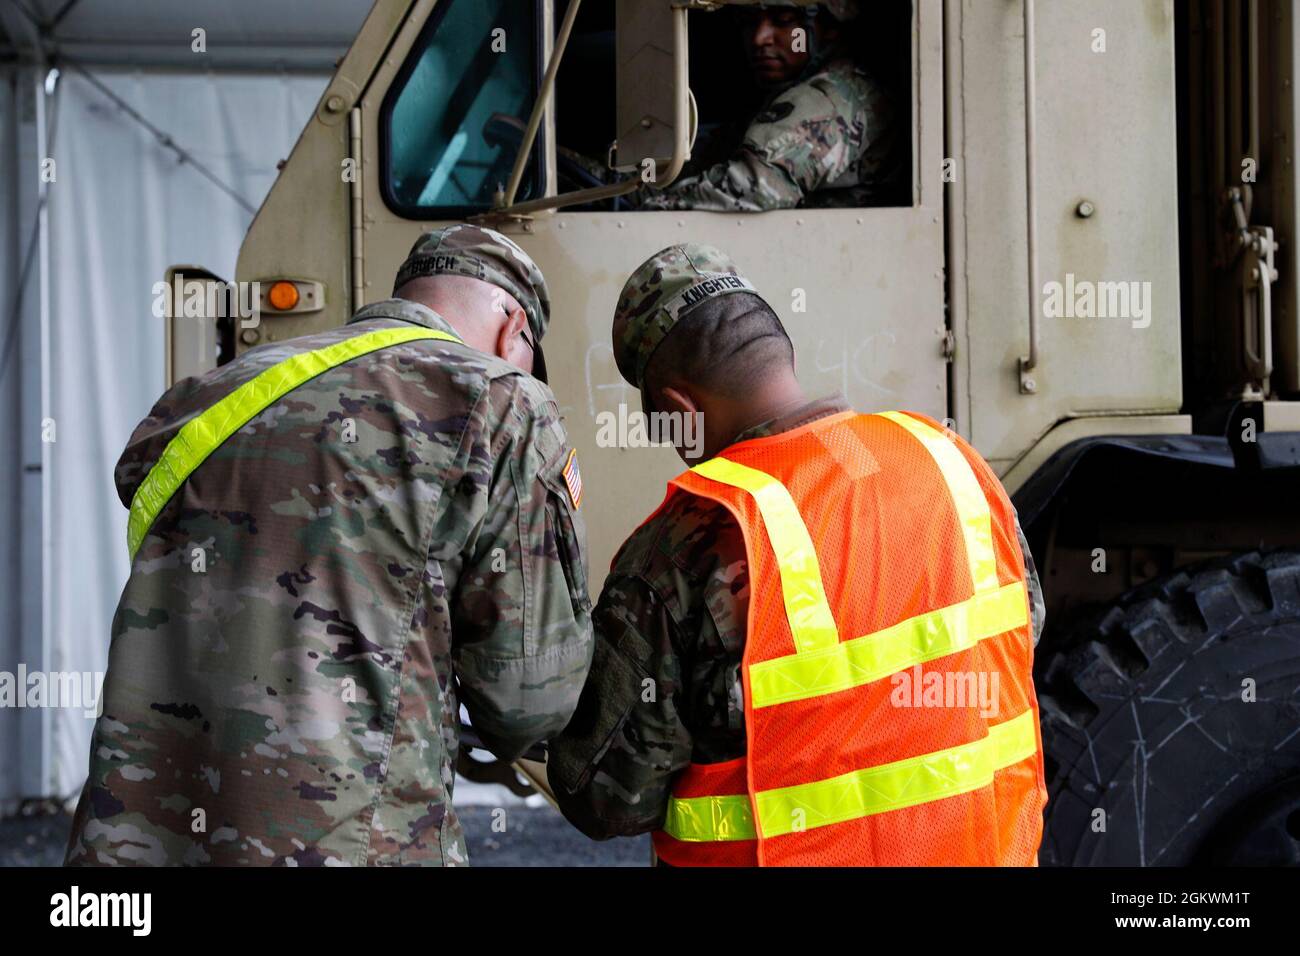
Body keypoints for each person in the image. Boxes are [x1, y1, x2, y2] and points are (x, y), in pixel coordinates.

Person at [64, 224, 593, 866]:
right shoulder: (501, 400)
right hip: (345, 844)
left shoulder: (208, 396)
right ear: (516, 330)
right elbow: (528, 704)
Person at [549, 243, 1047, 865]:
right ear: (779, 355)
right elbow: (1021, 628)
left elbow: (609, 797)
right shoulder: (948, 462)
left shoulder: (687, 542)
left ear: (680, 411)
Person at [638, 0, 905, 211]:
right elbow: (706, 161)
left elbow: (753, 185)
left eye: (783, 21)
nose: (759, 38)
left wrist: (645, 214)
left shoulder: (832, 97)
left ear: (828, 27)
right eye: (749, 22)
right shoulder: (779, 96)